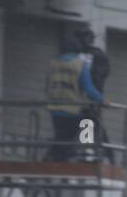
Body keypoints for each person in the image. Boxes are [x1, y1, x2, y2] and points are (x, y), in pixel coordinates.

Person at [46, 25, 108, 162]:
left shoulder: (54, 63)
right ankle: (86, 154)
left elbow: (48, 86)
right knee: (87, 125)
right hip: (72, 109)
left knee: (62, 137)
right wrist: (101, 100)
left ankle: (54, 159)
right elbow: (90, 88)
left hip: (55, 109)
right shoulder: (80, 64)